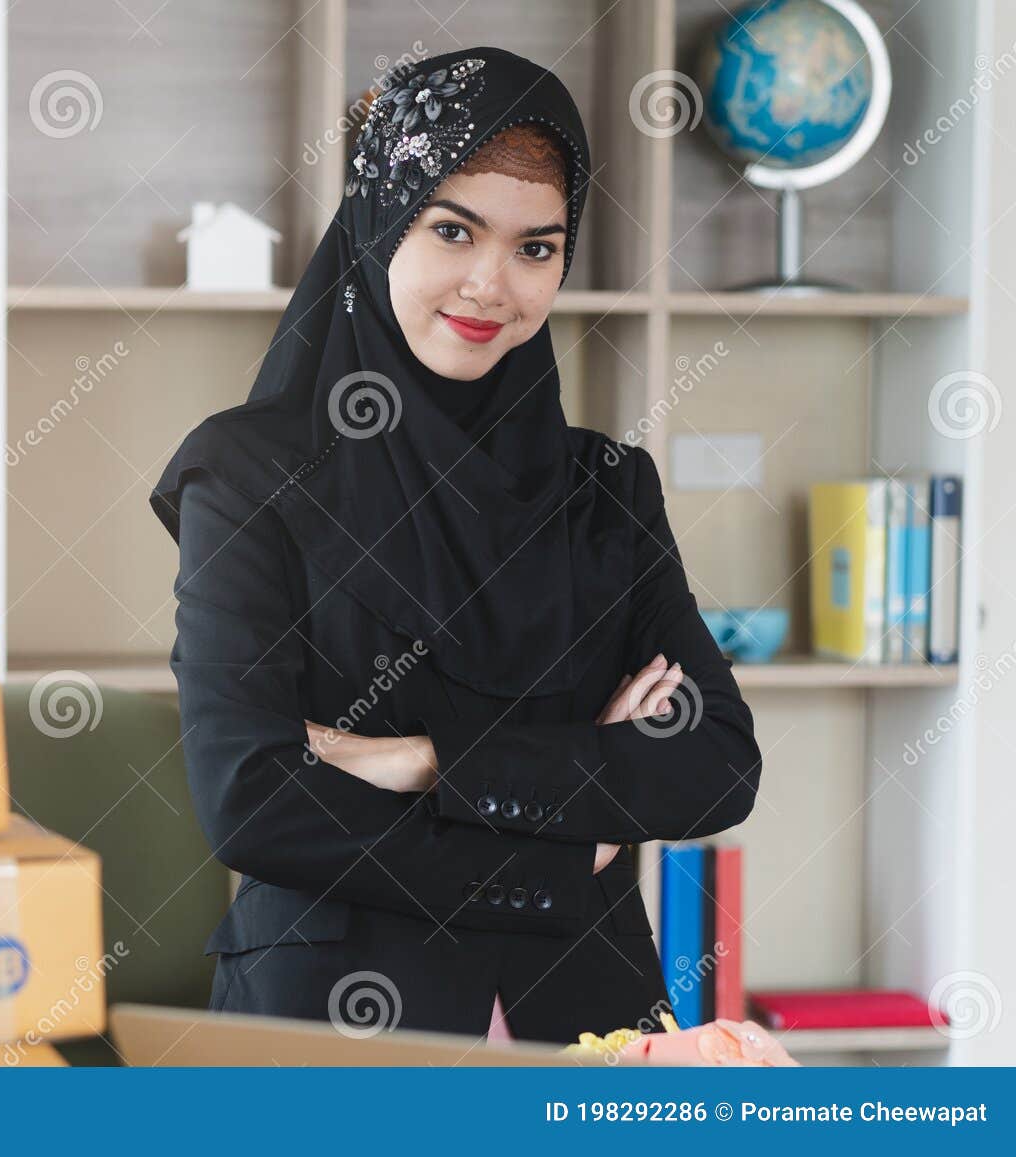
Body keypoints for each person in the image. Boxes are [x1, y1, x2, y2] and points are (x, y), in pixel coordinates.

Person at [148, 46, 762, 1044]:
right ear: (378, 222)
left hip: (586, 1014)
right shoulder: (249, 473)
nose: (490, 283)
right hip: (334, 1023)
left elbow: (713, 761)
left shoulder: (604, 488)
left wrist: (424, 759)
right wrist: (571, 839)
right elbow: (252, 801)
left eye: (535, 247)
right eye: (451, 229)